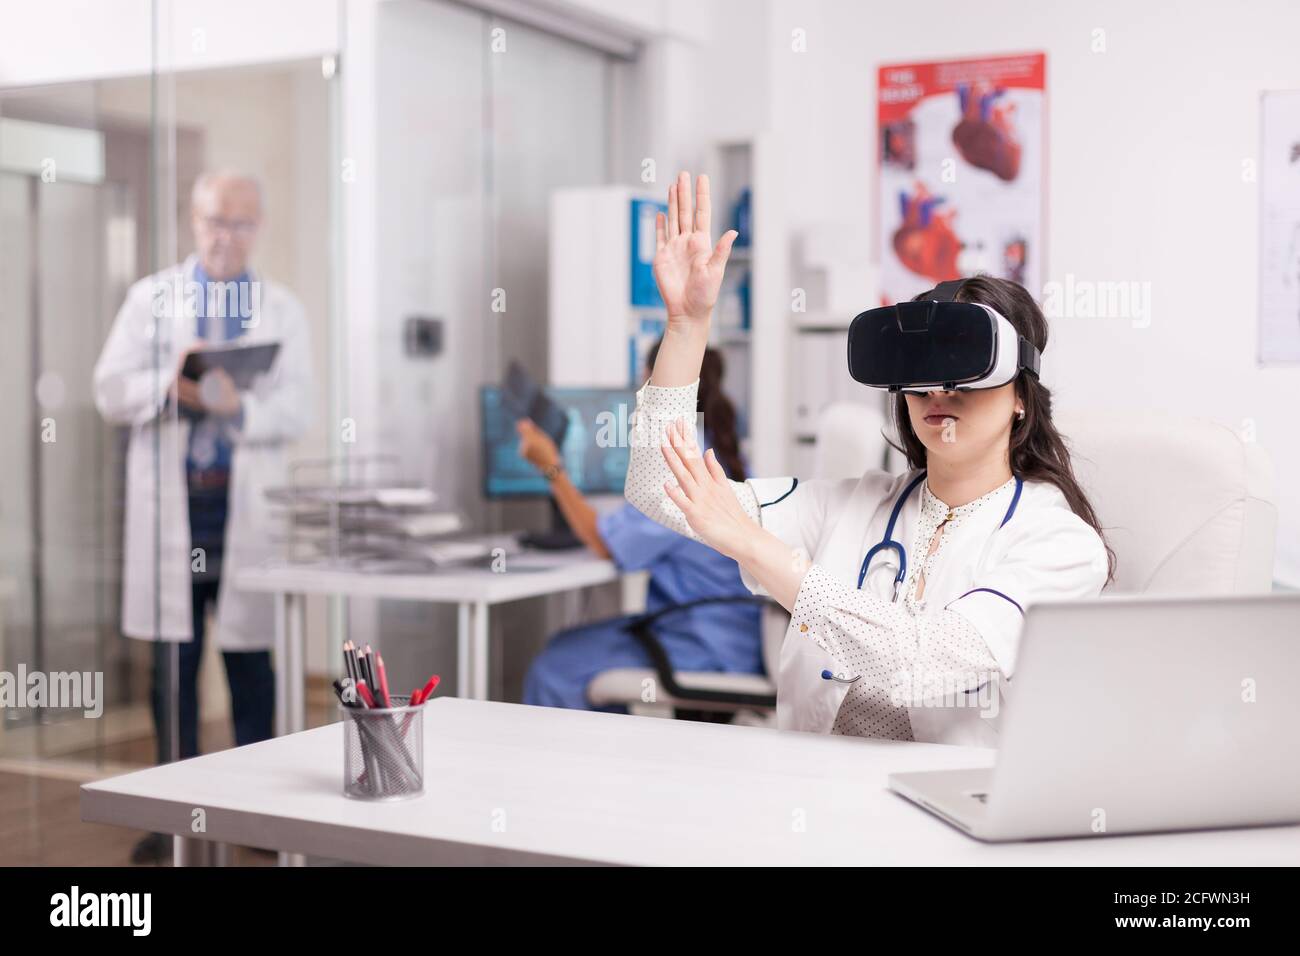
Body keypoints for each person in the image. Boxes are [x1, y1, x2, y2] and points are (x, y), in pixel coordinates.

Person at [625, 171, 1113, 746]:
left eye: (965, 372)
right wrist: (686, 327)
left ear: (1021, 402)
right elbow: (658, 488)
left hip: (955, 811)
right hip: (815, 795)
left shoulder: (1059, 545)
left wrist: (759, 548)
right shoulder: (848, 504)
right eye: (921, 376)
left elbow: (924, 665)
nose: (938, 393)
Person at [93, 172, 314, 862]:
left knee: (252, 666)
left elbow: (300, 408)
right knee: (175, 671)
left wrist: (236, 408)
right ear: (194, 222)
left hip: (240, 515)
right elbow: (108, 389)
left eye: (241, 223)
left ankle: (253, 816)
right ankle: (173, 818)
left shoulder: (281, 309)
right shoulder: (149, 299)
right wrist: (171, 387)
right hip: (175, 513)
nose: (227, 236)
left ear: (259, 228)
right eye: (216, 221)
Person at [516, 344, 763, 712]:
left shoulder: (680, 460)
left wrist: (552, 466)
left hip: (701, 643)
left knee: (555, 666)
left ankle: (565, 768)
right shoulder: (719, 449)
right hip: (733, 637)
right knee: (572, 647)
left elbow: (605, 543)